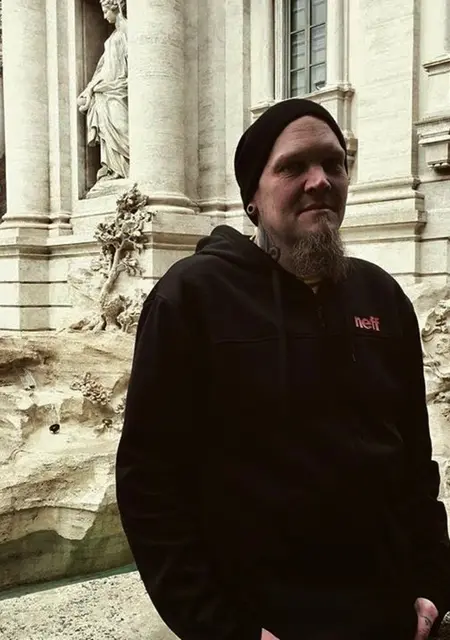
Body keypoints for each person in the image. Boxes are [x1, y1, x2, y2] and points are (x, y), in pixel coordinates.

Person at [116, 99, 450, 640]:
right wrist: (223, 629)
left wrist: (433, 582)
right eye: (294, 166)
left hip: (389, 617)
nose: (321, 180)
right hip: (266, 625)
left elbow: (415, 462)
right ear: (252, 196)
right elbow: (149, 483)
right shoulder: (191, 297)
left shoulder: (382, 297)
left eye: (334, 163)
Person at [77, 0, 129, 183]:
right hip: (106, 89)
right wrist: (90, 88)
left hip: (118, 87)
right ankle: (114, 169)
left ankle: (125, 166)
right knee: (107, 128)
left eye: (106, 11)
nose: (104, 16)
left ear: (116, 8)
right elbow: (102, 68)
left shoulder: (127, 31)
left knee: (120, 125)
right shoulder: (112, 37)